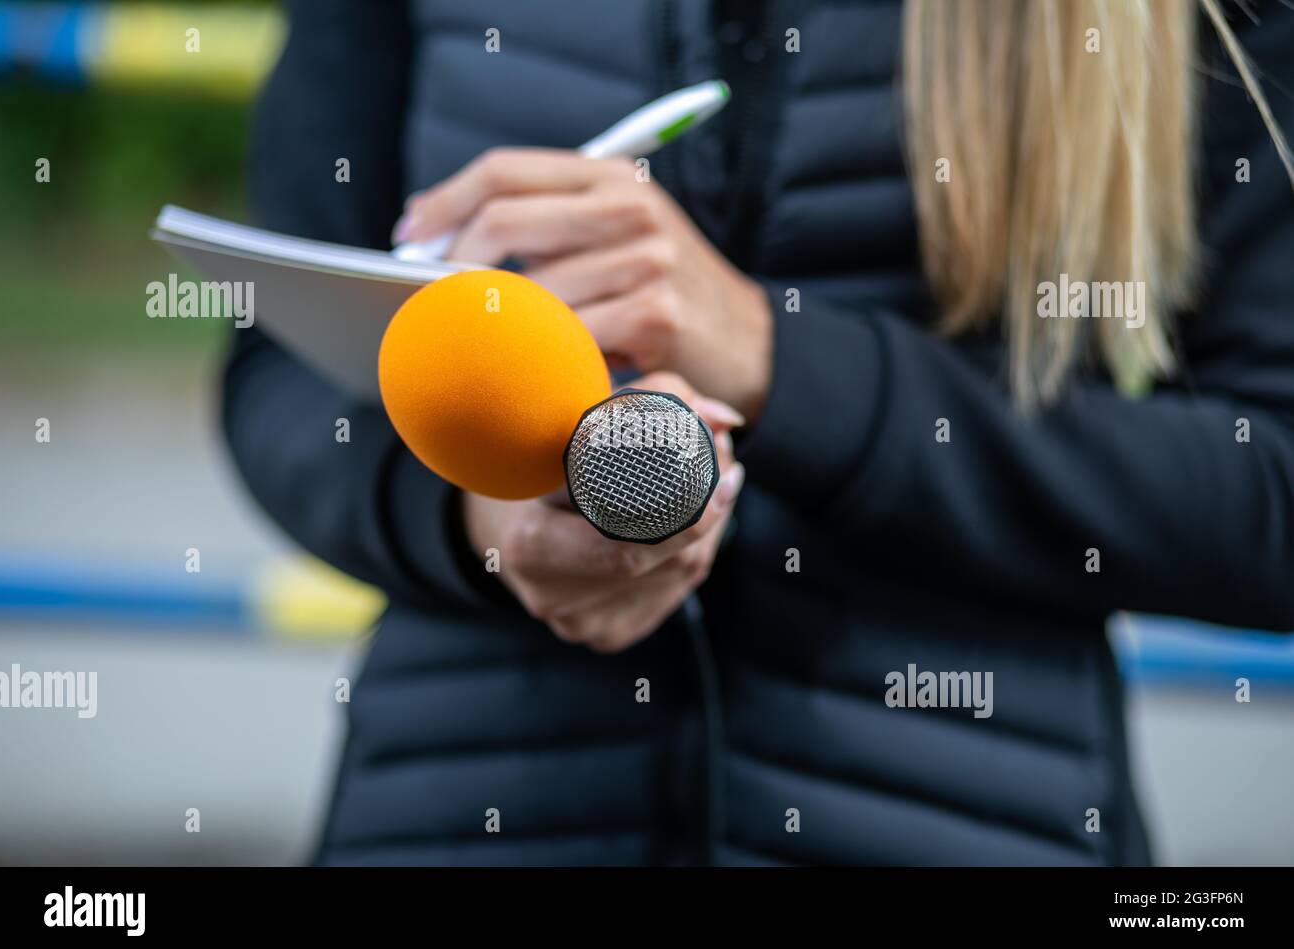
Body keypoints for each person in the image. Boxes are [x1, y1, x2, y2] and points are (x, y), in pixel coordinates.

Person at [223, 0, 1294, 865]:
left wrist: (777, 360)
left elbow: (1271, 491)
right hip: (454, 810)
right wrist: (473, 516)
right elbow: (277, 367)